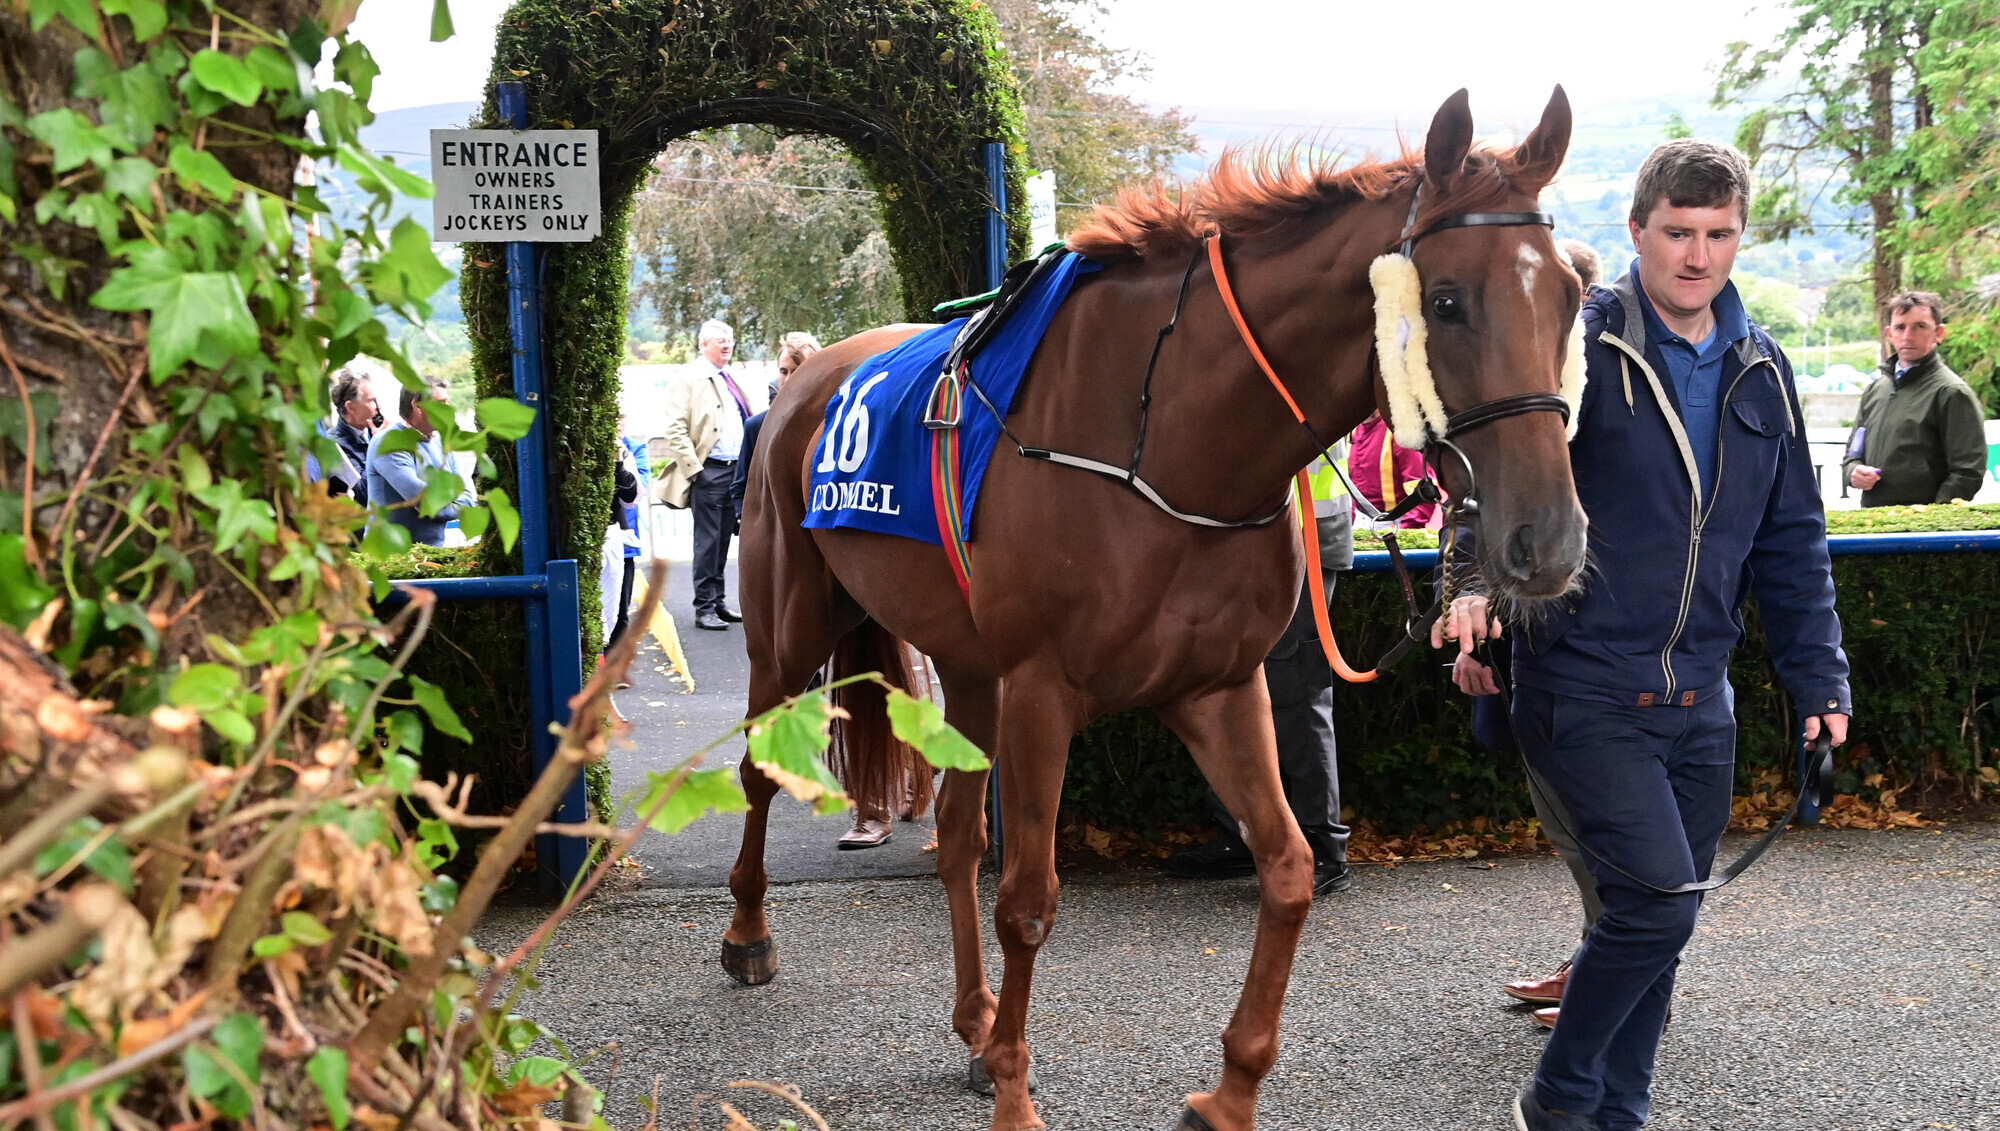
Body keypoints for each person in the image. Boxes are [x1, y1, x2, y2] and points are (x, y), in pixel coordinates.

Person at [1434, 139, 1850, 1131]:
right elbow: (1492, 467)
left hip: (1701, 701)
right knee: (1657, 908)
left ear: (1738, 236)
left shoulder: (1762, 367)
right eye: (1675, 233)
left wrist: (1819, 683)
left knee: (1655, 922)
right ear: (1635, 231)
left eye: (1716, 235)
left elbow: (1791, 541)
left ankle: (1616, 1112)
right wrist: (1468, 582)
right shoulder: (1577, 341)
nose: (1696, 256)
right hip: (1580, 683)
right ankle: (1560, 1095)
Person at [1165, 454, 1355, 897]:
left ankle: (1323, 846)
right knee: (1222, 685)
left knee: (1297, 693)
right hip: (1239, 539)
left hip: (1301, 538)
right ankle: (1242, 832)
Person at [659, 319, 765, 631]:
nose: (727, 344)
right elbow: (674, 428)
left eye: (730, 339)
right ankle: (703, 607)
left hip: (734, 470)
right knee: (708, 542)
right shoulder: (690, 377)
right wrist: (695, 471)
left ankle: (717, 602)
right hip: (711, 471)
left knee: (722, 542)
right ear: (704, 344)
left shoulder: (729, 377)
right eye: (720, 340)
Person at [1842, 291, 1986, 506]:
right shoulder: (1875, 389)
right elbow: (1852, 455)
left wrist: (1930, 520)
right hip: (1874, 524)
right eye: (1900, 327)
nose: (1908, 336)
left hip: (1923, 534)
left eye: (1920, 326)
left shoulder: (1952, 392)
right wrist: (1853, 472)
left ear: (1939, 332)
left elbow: (1967, 472)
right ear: (1889, 334)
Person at [365, 379, 475, 547]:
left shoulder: (443, 443)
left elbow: (468, 496)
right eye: (441, 403)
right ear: (417, 406)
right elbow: (425, 503)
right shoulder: (389, 443)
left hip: (432, 554)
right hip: (391, 559)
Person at [733, 332, 820, 524]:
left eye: (797, 370)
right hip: (774, 535)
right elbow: (741, 487)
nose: (788, 379)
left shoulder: (832, 424)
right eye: (783, 371)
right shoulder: (756, 426)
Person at [1348, 411, 1435, 527]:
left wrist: (1407, 530)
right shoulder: (1353, 431)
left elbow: (1422, 490)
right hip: (1358, 521)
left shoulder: (1399, 432)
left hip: (1395, 522)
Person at [307, 369, 380, 502]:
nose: (378, 406)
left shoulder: (371, 432)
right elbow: (364, 494)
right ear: (350, 408)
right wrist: (378, 446)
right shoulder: (334, 445)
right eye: (372, 401)